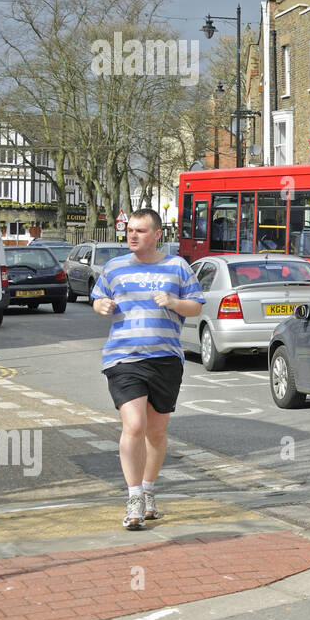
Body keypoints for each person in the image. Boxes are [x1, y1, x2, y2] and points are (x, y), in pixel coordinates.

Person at [92, 208, 205, 530]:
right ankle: (133, 497)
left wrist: (173, 302)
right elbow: (98, 300)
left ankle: (149, 489)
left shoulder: (177, 267)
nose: (132, 235)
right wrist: (101, 306)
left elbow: (195, 307)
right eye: (130, 230)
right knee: (134, 425)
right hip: (123, 357)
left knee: (156, 432)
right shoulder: (114, 267)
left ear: (157, 235)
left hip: (166, 358)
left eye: (140, 231)